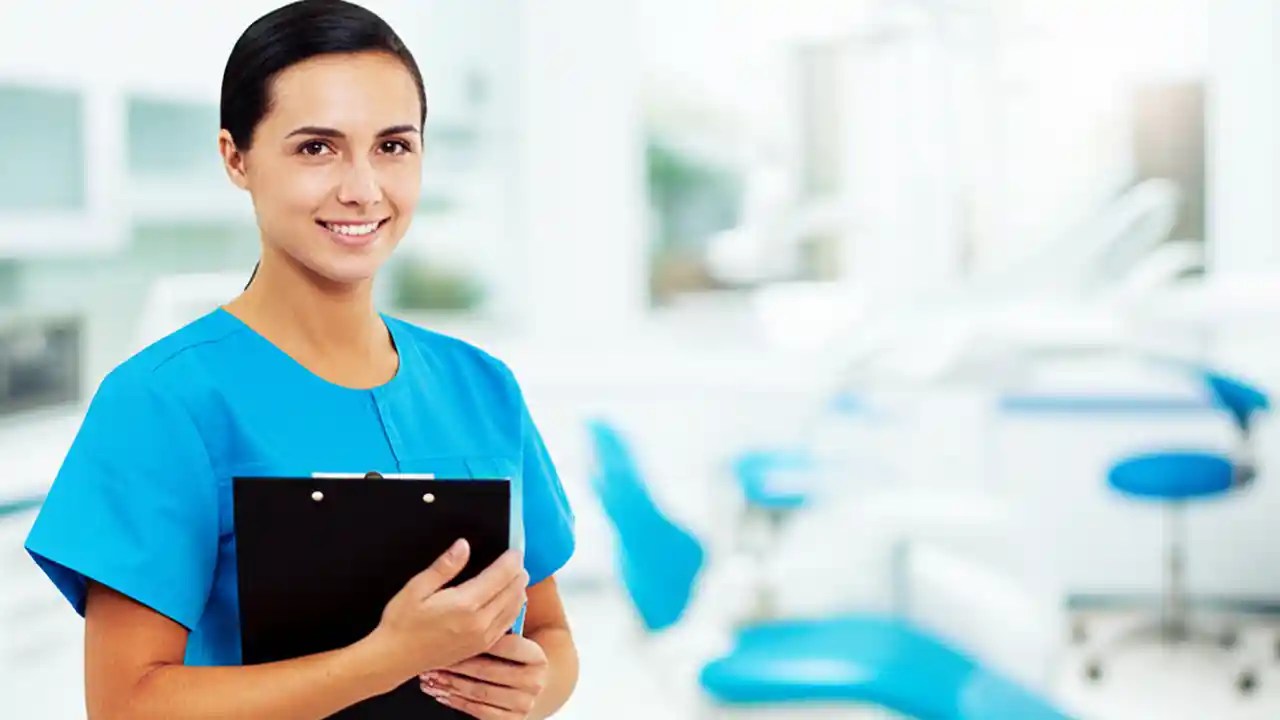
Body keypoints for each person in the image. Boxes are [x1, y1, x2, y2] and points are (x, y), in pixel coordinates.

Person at [23, 1, 578, 718]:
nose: (362, 188)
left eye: (393, 146)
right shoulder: (163, 402)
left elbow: (551, 633)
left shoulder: (481, 386)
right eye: (317, 147)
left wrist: (533, 689)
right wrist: (383, 661)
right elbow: (128, 705)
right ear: (236, 157)